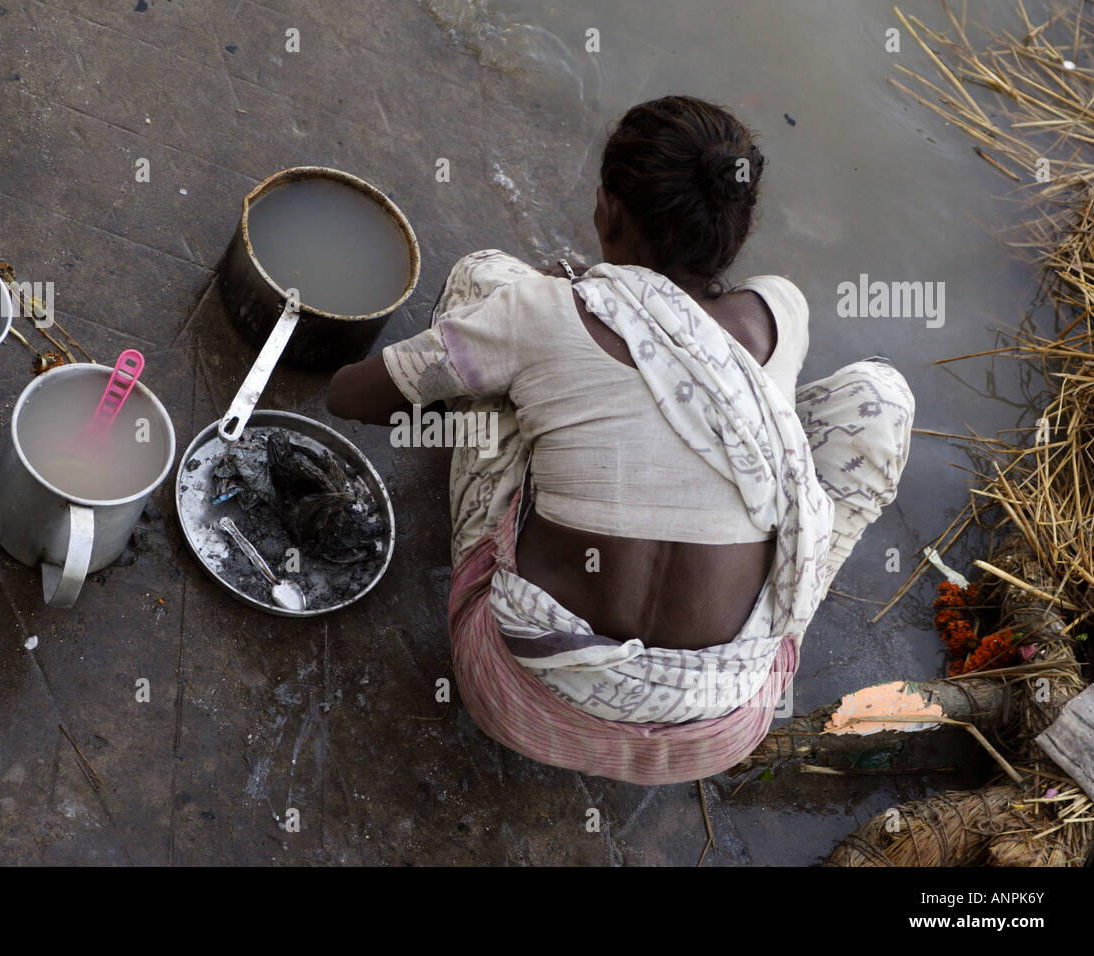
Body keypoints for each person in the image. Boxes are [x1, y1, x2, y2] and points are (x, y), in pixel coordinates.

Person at [326, 95, 914, 784]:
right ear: (741, 229)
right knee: (878, 397)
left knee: (484, 277)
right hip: (718, 729)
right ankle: (774, 626)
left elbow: (351, 397)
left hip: (517, 696)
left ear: (607, 209)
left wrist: (530, 327)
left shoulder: (543, 311)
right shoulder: (779, 311)